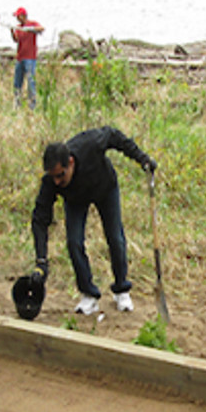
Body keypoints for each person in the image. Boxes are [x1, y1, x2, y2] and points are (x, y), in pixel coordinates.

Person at [30, 126, 157, 314]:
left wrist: (141, 158)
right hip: (75, 201)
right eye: (53, 177)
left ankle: (121, 289)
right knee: (74, 242)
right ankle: (88, 294)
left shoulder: (90, 144)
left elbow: (115, 136)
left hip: (105, 189)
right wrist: (41, 260)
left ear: (71, 162)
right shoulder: (51, 182)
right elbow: (40, 219)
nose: (57, 181)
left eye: (60, 175)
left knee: (116, 238)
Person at [10, 7, 44, 110]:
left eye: (18, 16)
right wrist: (12, 31)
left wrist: (30, 29)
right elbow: (16, 40)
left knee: (30, 81)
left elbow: (41, 28)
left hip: (30, 58)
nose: (17, 19)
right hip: (20, 57)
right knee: (17, 82)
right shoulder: (18, 28)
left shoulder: (32, 24)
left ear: (23, 16)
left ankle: (32, 105)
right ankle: (17, 104)